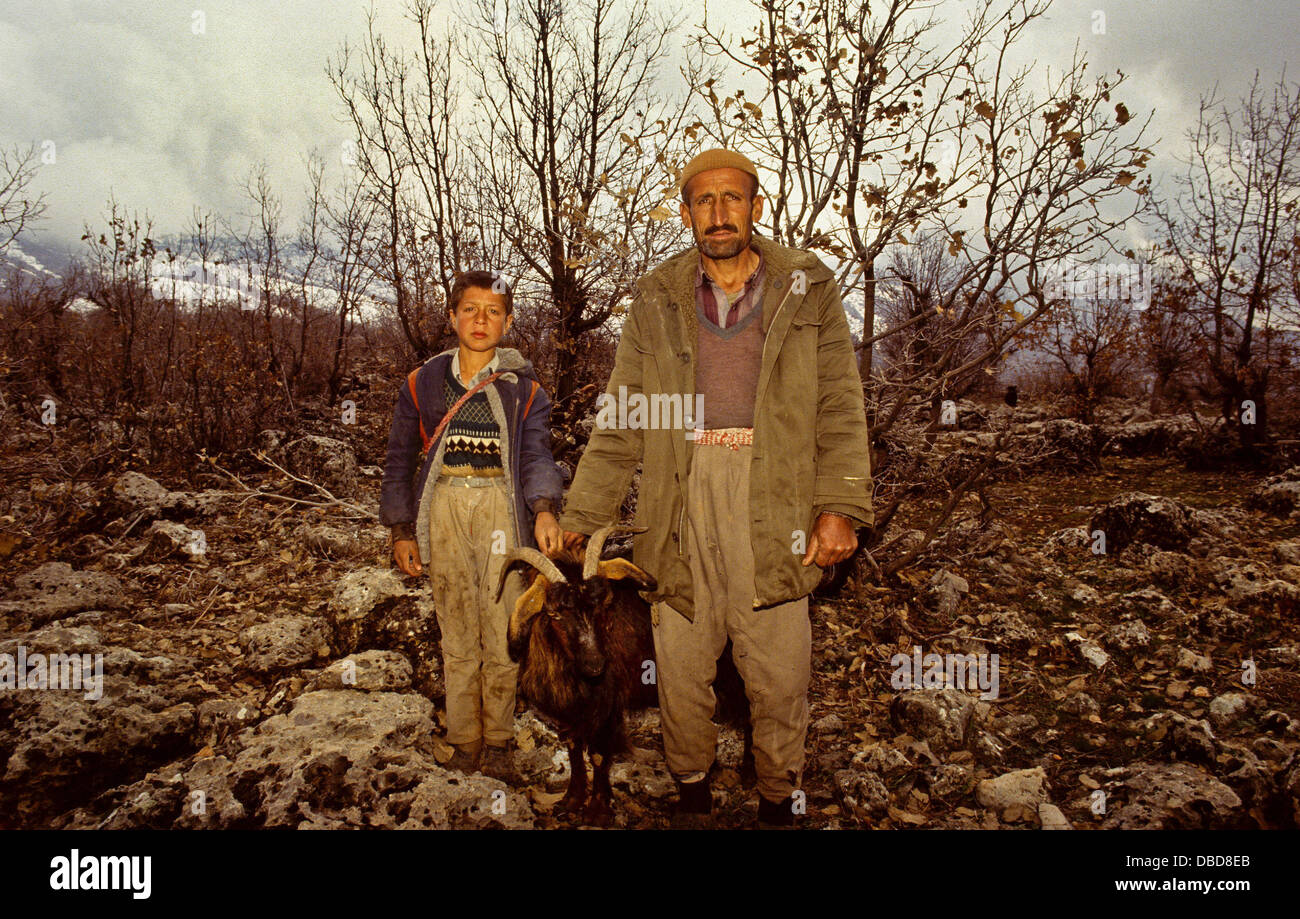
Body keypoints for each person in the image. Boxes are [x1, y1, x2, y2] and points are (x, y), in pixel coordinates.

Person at [558, 149, 873, 827]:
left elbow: (841, 404)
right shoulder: (657, 294)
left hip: (775, 494)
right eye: (705, 200)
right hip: (683, 493)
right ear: (686, 212)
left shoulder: (807, 283)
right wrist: (583, 513)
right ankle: (693, 794)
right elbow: (624, 416)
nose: (719, 212)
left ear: (757, 206)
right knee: (680, 663)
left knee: (779, 669)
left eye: (733, 198)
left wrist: (840, 505)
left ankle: (777, 801)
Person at [380, 270, 565, 781]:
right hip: (441, 509)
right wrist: (401, 530)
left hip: (500, 511)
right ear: (452, 316)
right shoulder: (422, 382)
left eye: (493, 311)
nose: (480, 320)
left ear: (507, 321)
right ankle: (464, 739)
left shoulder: (525, 390)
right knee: (456, 626)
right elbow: (399, 461)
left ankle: (501, 740)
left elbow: (536, 457)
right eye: (470, 309)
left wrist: (544, 507)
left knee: (502, 628)